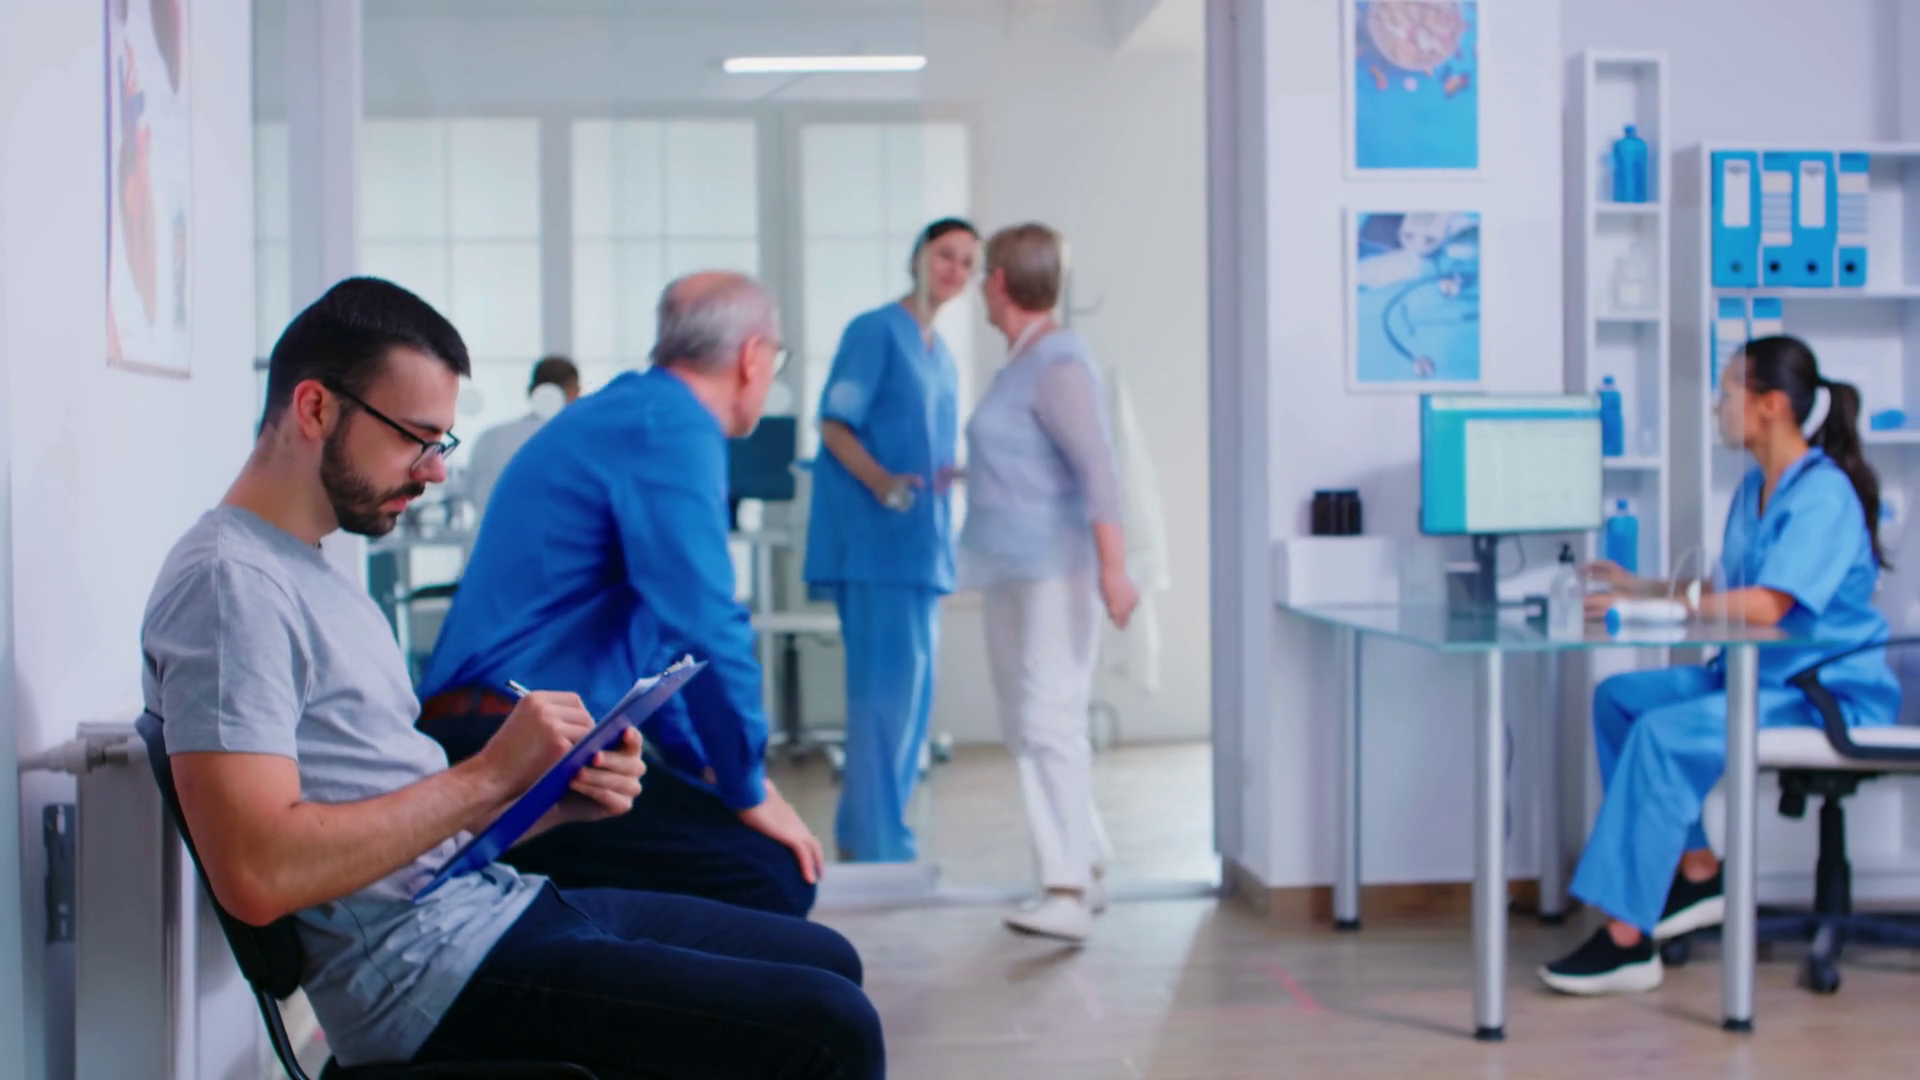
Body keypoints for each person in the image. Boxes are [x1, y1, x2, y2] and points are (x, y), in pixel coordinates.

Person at [141, 276, 882, 1076]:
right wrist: (491, 774)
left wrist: (552, 802)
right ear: (316, 409)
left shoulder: (313, 573)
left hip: (484, 909)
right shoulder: (229, 583)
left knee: (827, 962)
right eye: (413, 438)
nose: (432, 473)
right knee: (828, 1025)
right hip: (425, 978)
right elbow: (258, 872)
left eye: (441, 444)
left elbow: (401, 827)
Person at [418, 272, 825, 918]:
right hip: (502, 739)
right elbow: (710, 625)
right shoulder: (672, 428)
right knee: (772, 876)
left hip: (516, 732)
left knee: (749, 858)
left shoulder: (634, 413)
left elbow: (655, 652)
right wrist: (749, 788)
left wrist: (707, 770)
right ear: (753, 357)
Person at [1539, 335, 1900, 996]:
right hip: (1757, 679)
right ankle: (1701, 870)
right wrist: (1640, 589)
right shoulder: (1755, 492)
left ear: (1771, 405)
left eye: (1728, 391)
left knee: (1662, 735)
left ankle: (1627, 940)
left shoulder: (1823, 496)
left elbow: (1765, 606)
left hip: (1821, 695)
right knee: (1621, 699)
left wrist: (1672, 610)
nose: (1716, 407)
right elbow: (1719, 591)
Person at [960, 223, 1140, 943]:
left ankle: (1063, 888)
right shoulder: (1023, 361)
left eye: (982, 273)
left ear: (999, 281)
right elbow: (1031, 463)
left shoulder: (1060, 360)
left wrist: (1115, 569)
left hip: (1055, 572)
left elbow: (1100, 470)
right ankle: (1087, 864)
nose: (978, 285)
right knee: (1026, 723)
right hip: (1013, 569)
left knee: (1049, 723)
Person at [804, 217, 978, 863]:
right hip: (877, 543)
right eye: (944, 255)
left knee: (911, 700)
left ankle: (869, 830)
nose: (954, 270)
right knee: (882, 700)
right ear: (917, 258)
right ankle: (878, 842)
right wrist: (884, 483)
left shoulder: (942, 354)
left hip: (921, 548)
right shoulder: (875, 332)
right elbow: (834, 425)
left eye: (966, 262)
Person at [461, 355, 581, 518]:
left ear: (531, 391)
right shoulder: (577, 442)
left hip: (486, 538)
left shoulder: (489, 437)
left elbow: (471, 493)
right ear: (575, 393)